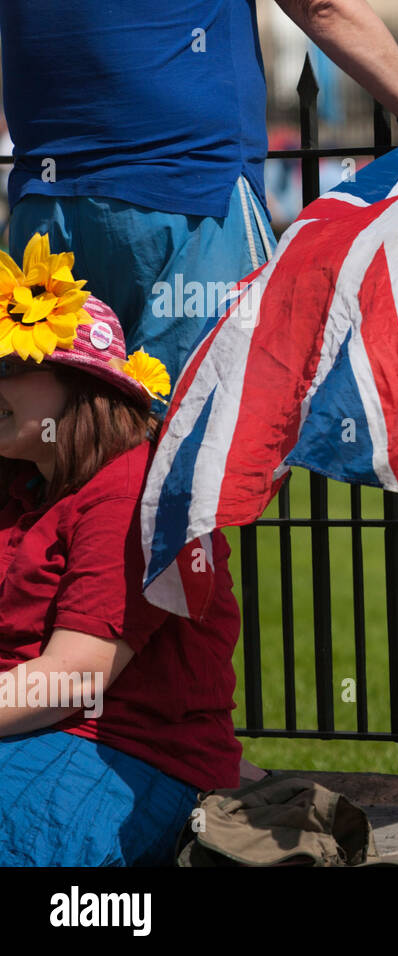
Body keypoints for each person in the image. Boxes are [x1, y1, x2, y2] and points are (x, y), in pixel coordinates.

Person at [0, 0, 398, 396]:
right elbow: (322, 6)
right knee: (199, 432)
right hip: (188, 197)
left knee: (66, 444)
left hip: (44, 209)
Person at [0, 235, 242, 866]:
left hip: (121, 751)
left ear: (82, 385)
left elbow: (76, 676)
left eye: (10, 366)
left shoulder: (131, 490)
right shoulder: (26, 482)